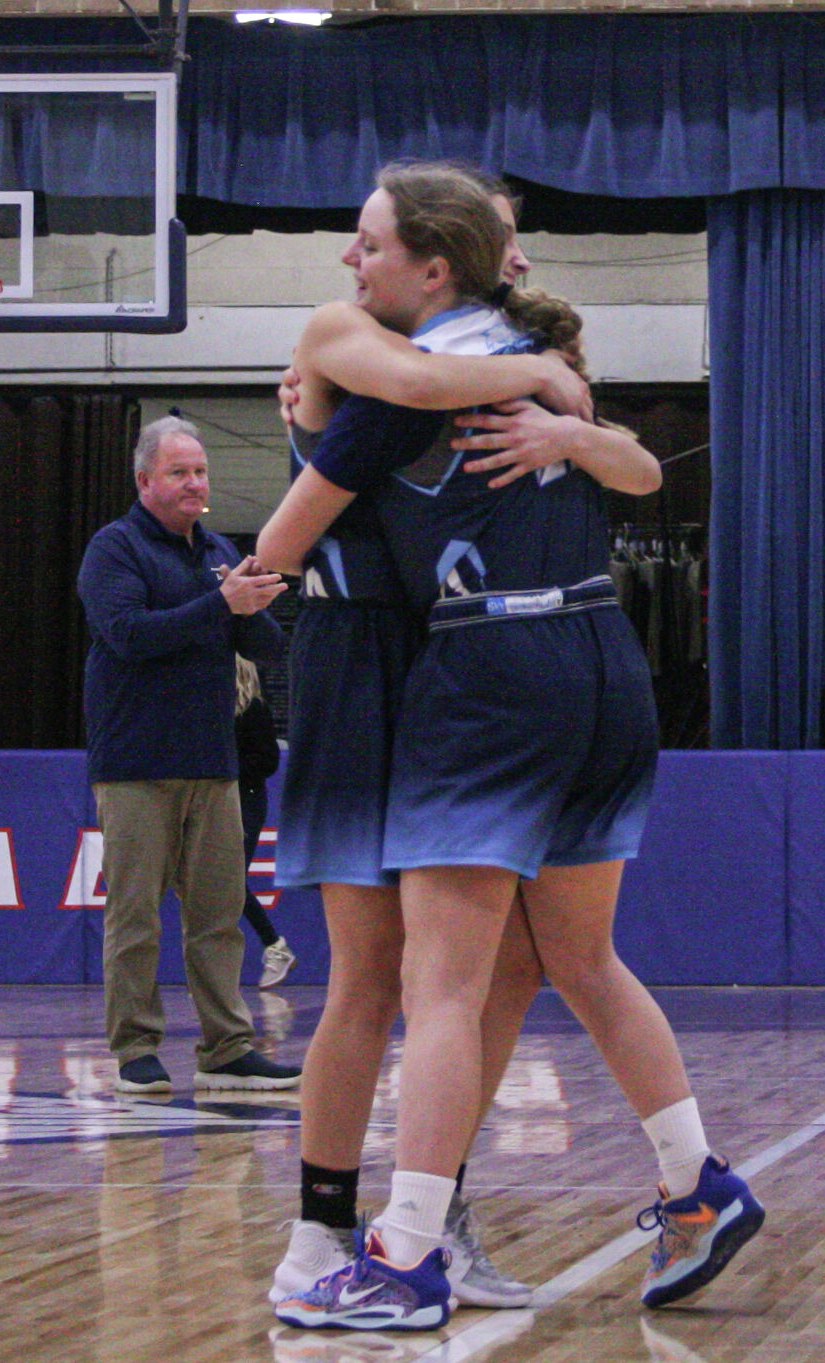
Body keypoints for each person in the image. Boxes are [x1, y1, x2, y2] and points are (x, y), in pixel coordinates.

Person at [264, 163, 762, 1333]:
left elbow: (290, 536)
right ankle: (694, 1183)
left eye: (368, 241)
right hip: (603, 661)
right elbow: (645, 469)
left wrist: (247, 584)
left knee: (432, 985)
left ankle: (395, 1251)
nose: (351, 260)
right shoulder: (534, 368)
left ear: (437, 264)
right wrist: (568, 416)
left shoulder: (399, 381)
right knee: (571, 960)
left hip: (483, 666)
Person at [261, 174, 600, 1315]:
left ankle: (428, 1221)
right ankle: (317, 1238)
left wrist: (560, 406)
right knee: (371, 976)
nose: (347, 261)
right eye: (356, 241)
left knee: (485, 968)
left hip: (448, 663)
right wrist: (544, 373)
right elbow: (394, 405)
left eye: (365, 243)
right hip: (358, 661)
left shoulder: (450, 360)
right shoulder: (355, 343)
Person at [79, 414, 300, 1095]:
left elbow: (264, 646)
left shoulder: (215, 551)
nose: (194, 484)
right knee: (136, 915)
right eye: (179, 472)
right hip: (137, 762)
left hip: (214, 759)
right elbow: (127, 634)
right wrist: (220, 603)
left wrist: (254, 601)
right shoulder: (114, 549)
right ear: (146, 480)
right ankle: (135, 1049)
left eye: (201, 472)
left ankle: (228, 1045)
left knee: (217, 913)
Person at [233, 656, 296, 989]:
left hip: (245, 800)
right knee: (209, 883)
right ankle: (271, 947)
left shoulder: (252, 710)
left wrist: (230, 768)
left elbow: (268, 760)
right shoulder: (209, 712)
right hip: (215, 800)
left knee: (229, 881)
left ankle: (275, 945)